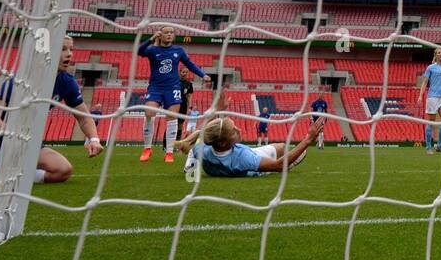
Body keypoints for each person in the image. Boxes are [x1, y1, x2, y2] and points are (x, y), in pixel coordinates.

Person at [0, 36, 102, 187]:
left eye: (71, 49)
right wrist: (11, 134)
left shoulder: (66, 82)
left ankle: (4, 174)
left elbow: (84, 118)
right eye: (63, 49)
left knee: (62, 170)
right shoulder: (22, 80)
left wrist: (94, 139)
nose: (69, 54)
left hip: (25, 143)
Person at [177, 114, 322, 180]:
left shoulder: (203, 150)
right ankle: (291, 162)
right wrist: (307, 140)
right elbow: (278, 166)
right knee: (281, 147)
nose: (239, 130)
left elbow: (194, 145)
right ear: (222, 142)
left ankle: (290, 157)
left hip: (233, 155)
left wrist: (191, 166)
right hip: (251, 160)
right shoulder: (244, 158)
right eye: (233, 131)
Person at [136, 25, 205, 164]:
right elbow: (139, 51)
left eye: (171, 32)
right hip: (155, 87)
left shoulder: (178, 50)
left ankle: (169, 152)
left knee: (172, 118)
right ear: (160, 35)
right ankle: (147, 149)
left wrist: (203, 75)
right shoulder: (153, 50)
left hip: (172, 87)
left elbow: (190, 64)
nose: (169, 34)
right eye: (166, 32)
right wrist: (150, 39)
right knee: (149, 113)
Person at [419, 48, 441, 154]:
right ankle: (429, 147)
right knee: (430, 123)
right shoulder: (430, 68)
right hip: (432, 97)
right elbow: (425, 82)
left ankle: (439, 145)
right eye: (439, 53)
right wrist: (420, 95)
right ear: (436, 55)